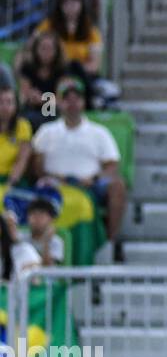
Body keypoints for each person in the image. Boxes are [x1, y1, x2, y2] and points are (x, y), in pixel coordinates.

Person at [31, 77, 125, 259]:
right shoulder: (46, 131)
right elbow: (36, 167)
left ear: (83, 102)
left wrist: (94, 179)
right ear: (59, 102)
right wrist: (52, 176)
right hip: (54, 184)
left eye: (77, 99)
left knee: (117, 186)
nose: (72, 103)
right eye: (67, 99)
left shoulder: (99, 132)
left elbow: (112, 165)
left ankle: (110, 245)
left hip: (89, 184)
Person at [36, 0, 102, 80]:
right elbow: (31, 49)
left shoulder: (91, 31)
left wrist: (76, 71)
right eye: (66, 3)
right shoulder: (47, 26)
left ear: (81, 4)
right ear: (60, 6)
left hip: (82, 77)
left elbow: (95, 65)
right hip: (52, 76)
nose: (70, 7)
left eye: (74, 3)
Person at [18, 31, 72, 128]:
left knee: (49, 115)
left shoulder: (62, 70)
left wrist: (43, 99)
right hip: (31, 108)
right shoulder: (28, 67)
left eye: (50, 49)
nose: (46, 53)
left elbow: (62, 99)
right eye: (43, 48)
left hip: (52, 109)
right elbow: (23, 95)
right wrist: (31, 96)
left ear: (56, 51)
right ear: (36, 49)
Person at [0, 86, 32, 187]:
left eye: (9, 102)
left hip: (11, 179)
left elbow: (21, 160)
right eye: (0, 102)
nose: (5, 107)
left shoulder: (23, 126)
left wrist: (10, 184)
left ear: (16, 105)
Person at [23, 197, 63, 267]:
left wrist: (46, 241)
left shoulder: (56, 241)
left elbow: (47, 266)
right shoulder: (21, 238)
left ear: (51, 219)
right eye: (33, 214)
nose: (37, 218)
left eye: (41, 215)